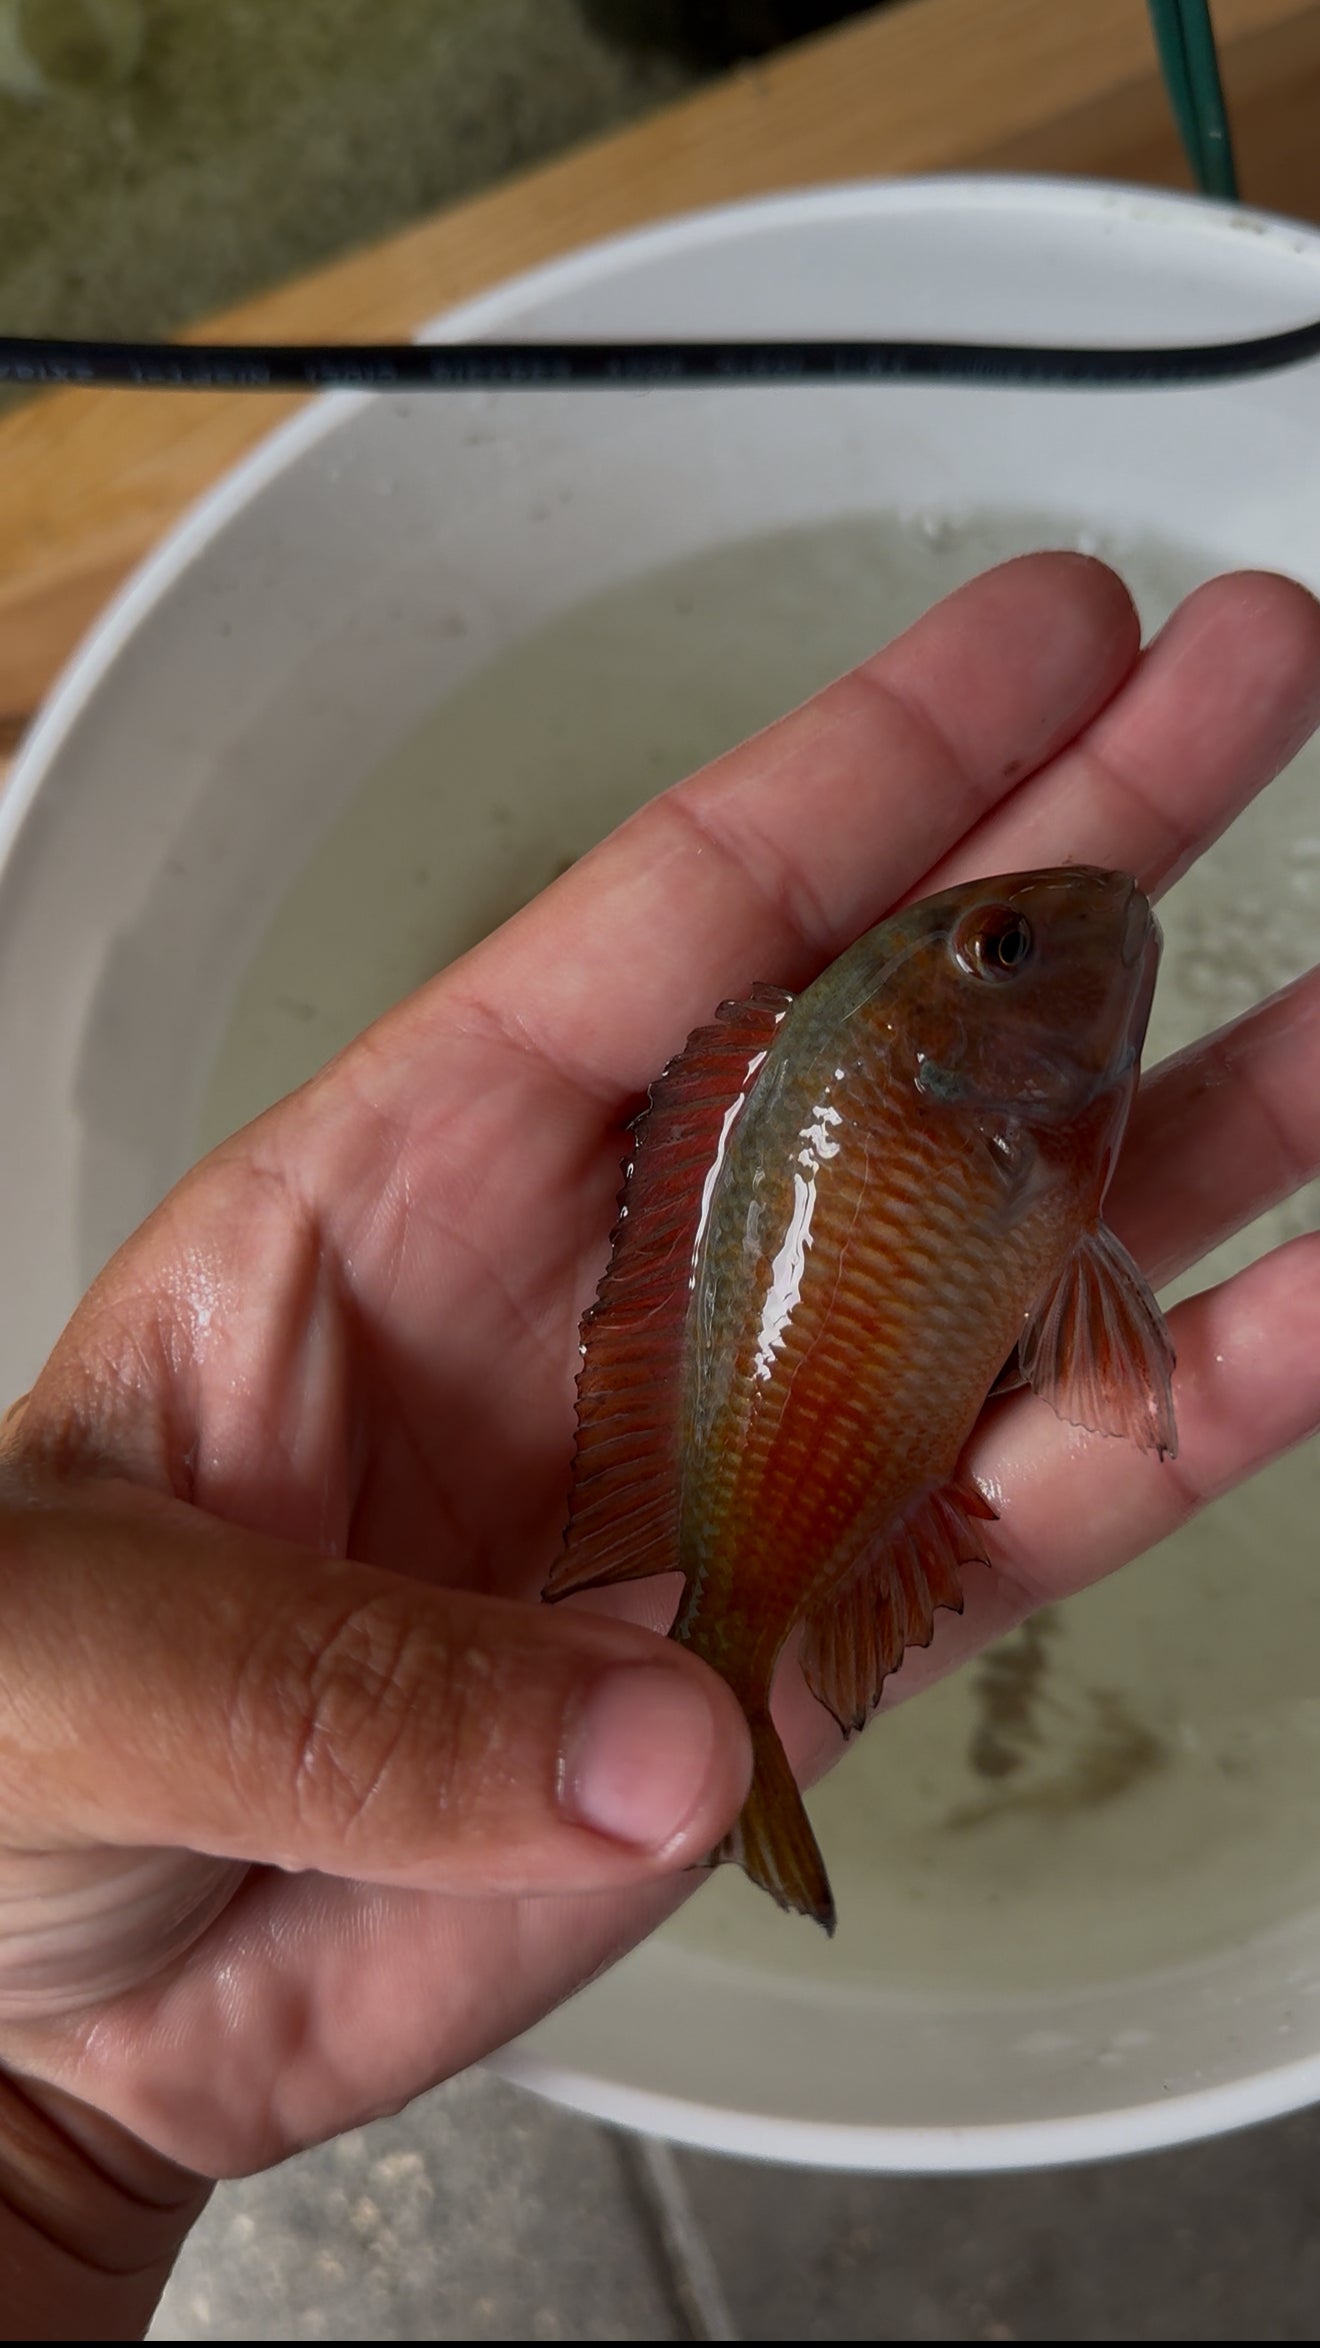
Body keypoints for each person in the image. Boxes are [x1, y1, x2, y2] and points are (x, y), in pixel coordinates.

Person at [1, 553, 1319, 2339]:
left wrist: (59, 2147)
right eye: (1001, 951)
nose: (1052, 934)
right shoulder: (944, 1104)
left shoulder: (957, 1101)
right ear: (949, 1033)